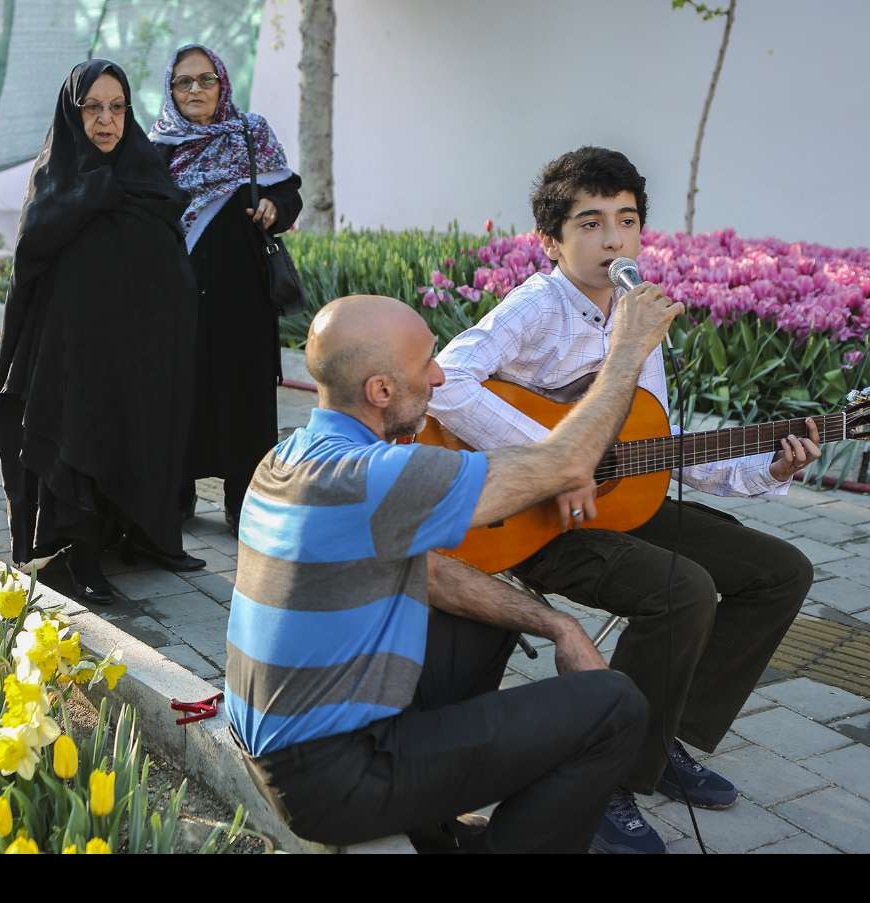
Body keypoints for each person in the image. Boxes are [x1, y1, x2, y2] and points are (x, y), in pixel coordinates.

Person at [430, 147, 820, 854]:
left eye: (627, 220)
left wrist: (768, 467)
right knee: (681, 587)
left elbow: (655, 445)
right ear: (551, 241)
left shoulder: (637, 315)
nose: (613, 239)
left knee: (780, 571)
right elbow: (446, 381)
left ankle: (658, 740)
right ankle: (604, 774)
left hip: (612, 505)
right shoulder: (537, 306)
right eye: (590, 223)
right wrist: (556, 459)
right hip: (526, 517)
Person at [228, 289, 684, 853]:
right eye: (427, 363)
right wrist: (628, 349)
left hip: (293, 755)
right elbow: (568, 463)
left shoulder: (291, 454)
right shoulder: (375, 477)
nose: (441, 376)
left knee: (487, 617)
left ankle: (435, 826)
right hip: (334, 777)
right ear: (381, 391)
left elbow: (437, 576)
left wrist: (558, 625)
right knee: (615, 706)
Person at [0, 59, 206, 606]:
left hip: (142, 344)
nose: (106, 120)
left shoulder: (145, 171)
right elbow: (31, 254)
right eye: (92, 108)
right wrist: (90, 199)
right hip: (75, 349)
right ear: (73, 113)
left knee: (146, 429)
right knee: (80, 437)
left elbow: (168, 248)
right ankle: (82, 556)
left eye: (117, 107)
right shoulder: (57, 177)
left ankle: (152, 536)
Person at [150, 44, 303, 536]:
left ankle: (244, 501)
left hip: (244, 298)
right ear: (170, 89)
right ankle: (176, 497)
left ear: (222, 83)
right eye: (184, 81)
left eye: (206, 79)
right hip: (176, 297)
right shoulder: (157, 146)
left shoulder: (250, 133)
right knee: (178, 393)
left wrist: (276, 209)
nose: (195, 89)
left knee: (245, 397)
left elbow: (288, 191)